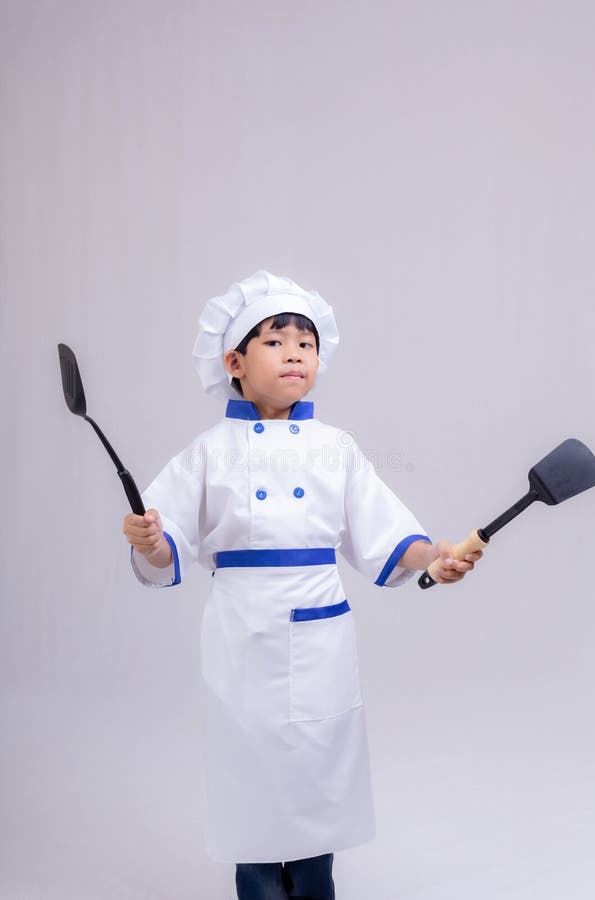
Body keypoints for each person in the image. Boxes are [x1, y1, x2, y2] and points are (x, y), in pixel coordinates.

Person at [122, 271, 483, 900]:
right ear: (234, 363)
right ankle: (259, 887)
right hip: (243, 633)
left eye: (306, 344)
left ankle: (316, 884)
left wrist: (436, 554)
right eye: (275, 341)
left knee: (318, 770)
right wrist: (151, 540)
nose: (294, 353)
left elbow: (384, 531)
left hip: (320, 630)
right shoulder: (209, 451)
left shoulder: (335, 448)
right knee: (250, 776)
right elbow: (166, 537)